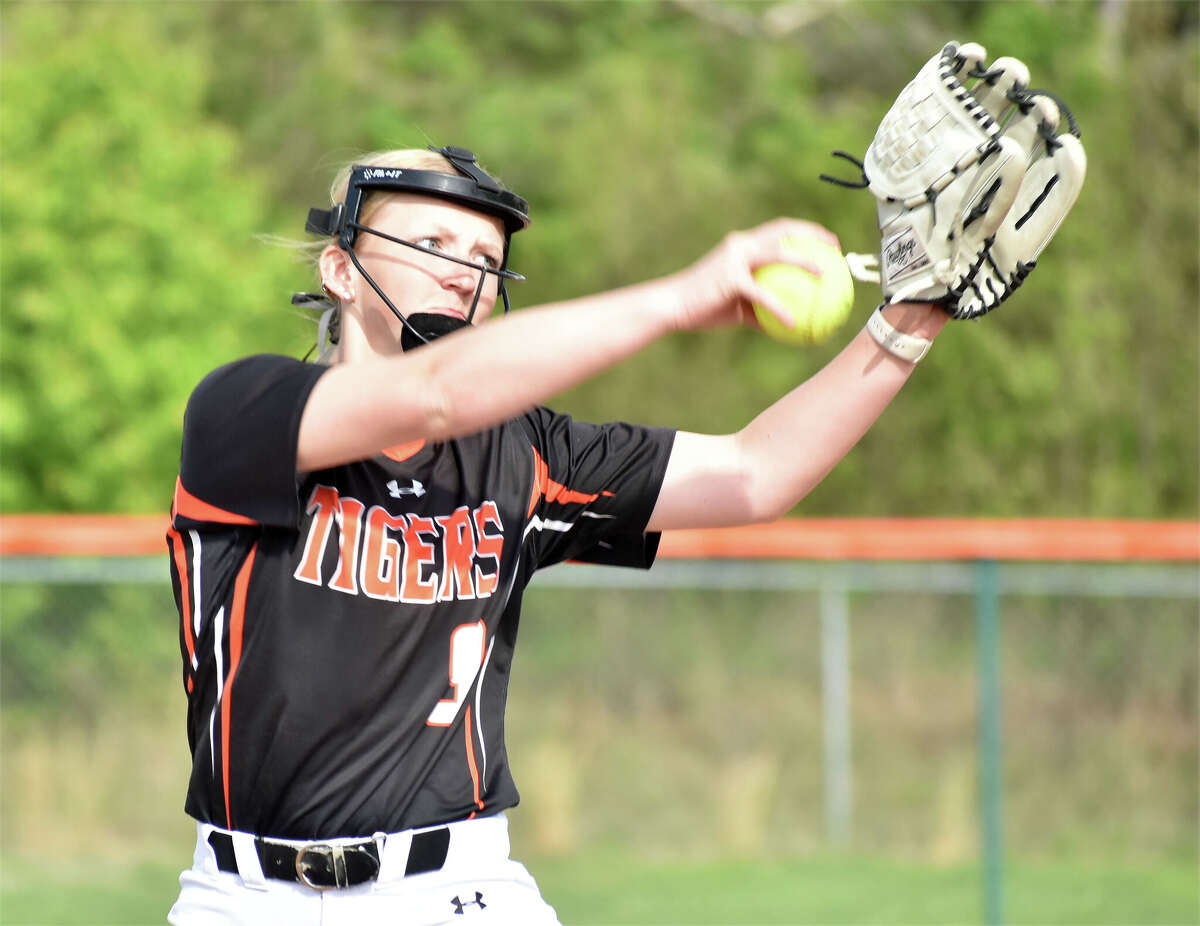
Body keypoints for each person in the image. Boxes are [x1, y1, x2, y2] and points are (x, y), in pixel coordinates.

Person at [166, 144, 946, 925]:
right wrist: (682, 297)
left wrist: (912, 317)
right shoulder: (246, 413)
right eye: (430, 243)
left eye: (484, 256)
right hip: (244, 898)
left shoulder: (523, 453)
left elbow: (758, 472)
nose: (464, 271)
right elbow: (432, 397)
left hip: (453, 890)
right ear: (339, 268)